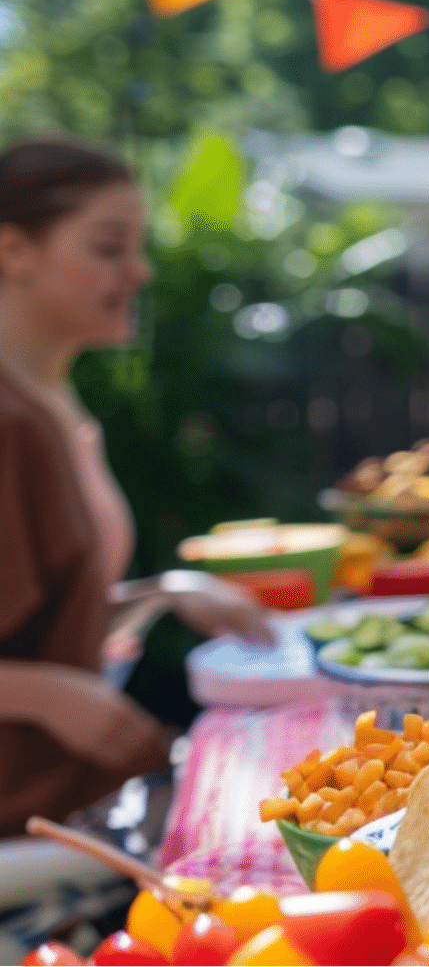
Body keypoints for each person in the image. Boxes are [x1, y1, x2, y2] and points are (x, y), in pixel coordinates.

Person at [0, 135, 272, 837]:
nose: (141, 272)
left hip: (61, 797)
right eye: (108, 247)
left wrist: (163, 594)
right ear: (12, 252)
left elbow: (41, 623)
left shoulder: (54, 408)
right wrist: (53, 697)